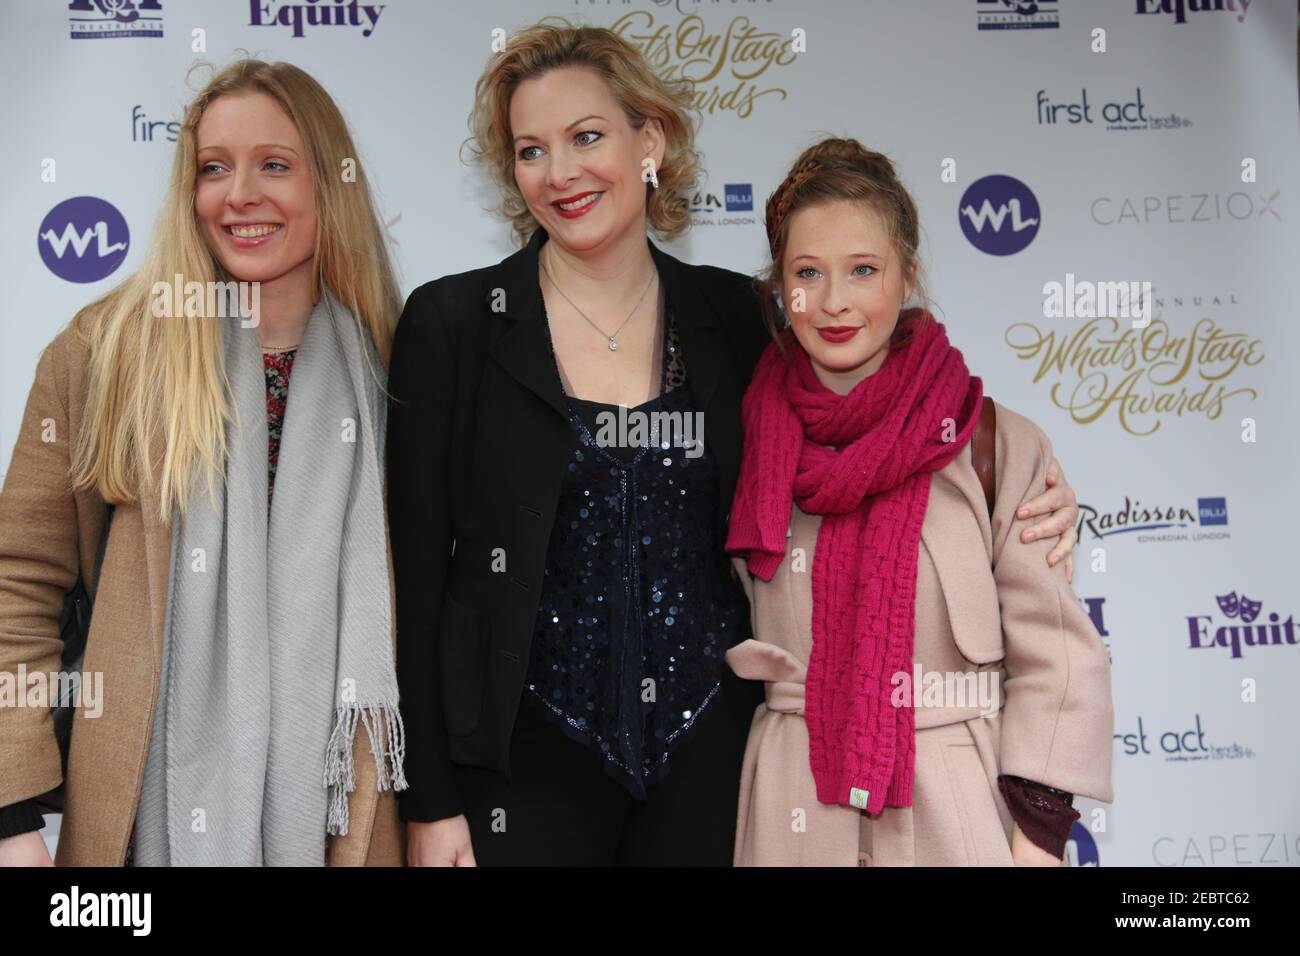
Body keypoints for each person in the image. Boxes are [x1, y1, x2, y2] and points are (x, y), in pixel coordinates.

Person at [389, 22, 1081, 867]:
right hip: (520, 774)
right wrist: (430, 802)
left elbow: (878, 411)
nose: (561, 172)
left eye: (587, 137)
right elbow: (415, 580)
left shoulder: (741, 319)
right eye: (531, 149)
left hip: (712, 771)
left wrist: (1022, 478)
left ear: (651, 139)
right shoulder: (453, 325)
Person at [0, 59, 405, 866]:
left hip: (349, 823)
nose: (238, 194)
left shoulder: (403, 366)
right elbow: (15, 586)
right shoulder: (104, 352)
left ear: (333, 183)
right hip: (135, 831)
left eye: (275, 165)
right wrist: (11, 819)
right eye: (213, 168)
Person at [725, 138, 1115, 867]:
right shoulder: (742, 444)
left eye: (863, 270)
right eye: (808, 273)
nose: (834, 301)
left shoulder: (991, 441)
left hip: (957, 812)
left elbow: (1057, 654)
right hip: (793, 811)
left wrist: (1038, 835)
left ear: (908, 273)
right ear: (779, 288)